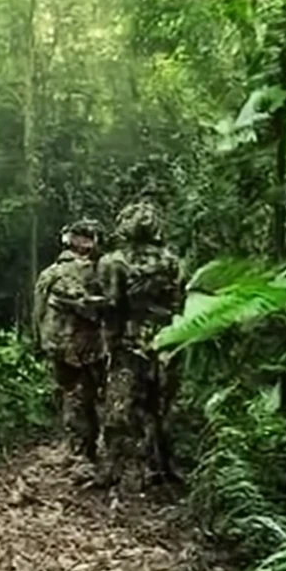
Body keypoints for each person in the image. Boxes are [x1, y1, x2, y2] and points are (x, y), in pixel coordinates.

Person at [97, 200, 185, 492]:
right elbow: (179, 304)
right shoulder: (173, 261)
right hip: (168, 341)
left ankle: (117, 469)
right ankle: (161, 468)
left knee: (121, 407)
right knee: (161, 406)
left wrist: (108, 345)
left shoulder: (113, 262)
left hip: (129, 342)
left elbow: (112, 307)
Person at [33, 219, 105, 463]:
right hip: (92, 346)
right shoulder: (102, 272)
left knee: (72, 394)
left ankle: (77, 450)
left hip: (64, 344)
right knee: (88, 395)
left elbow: (39, 311)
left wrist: (41, 341)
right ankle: (87, 447)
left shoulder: (53, 273)